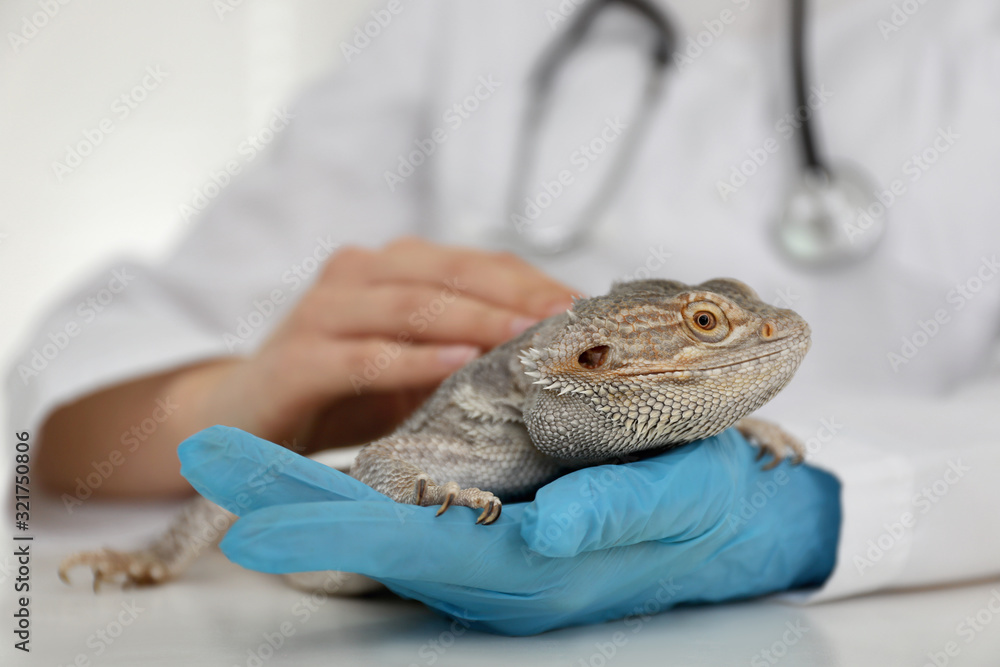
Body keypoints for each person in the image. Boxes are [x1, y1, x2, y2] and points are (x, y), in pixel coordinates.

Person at [8, 0, 1000, 635]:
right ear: (605, 355)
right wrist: (234, 396)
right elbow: (77, 379)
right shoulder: (455, 22)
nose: (740, 336)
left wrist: (821, 499)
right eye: (703, 324)